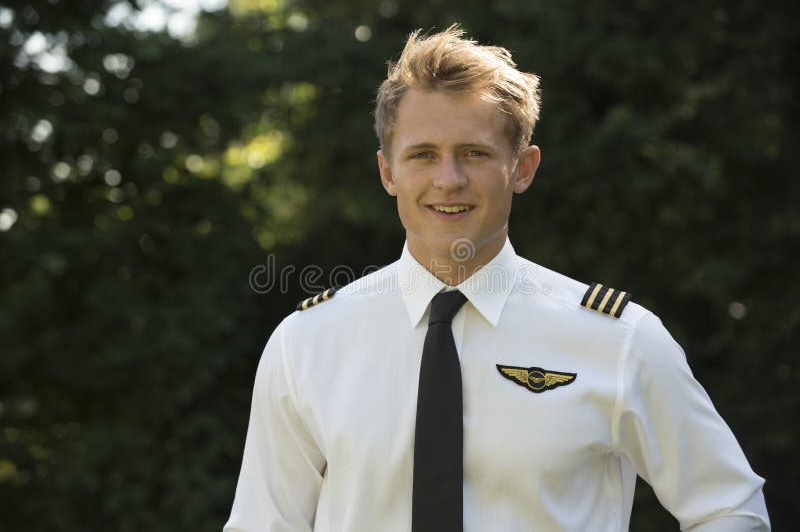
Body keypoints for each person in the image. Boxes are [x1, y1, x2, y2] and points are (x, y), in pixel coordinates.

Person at [223, 26, 770, 531]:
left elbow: (728, 507)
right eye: (422, 155)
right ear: (388, 172)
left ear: (522, 168)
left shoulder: (620, 339)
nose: (448, 179)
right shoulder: (306, 345)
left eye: (474, 153)